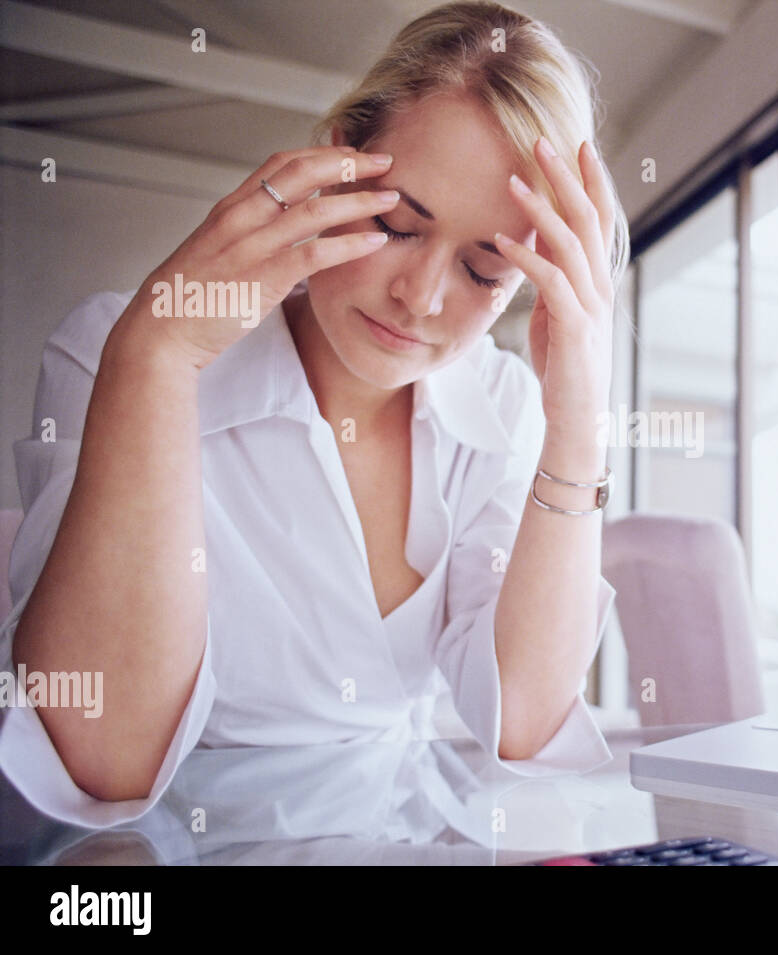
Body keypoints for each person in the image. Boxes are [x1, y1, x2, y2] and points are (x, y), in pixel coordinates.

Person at [0, 0, 630, 829]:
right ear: (333, 163)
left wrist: (578, 429)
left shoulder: (503, 405)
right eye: (396, 223)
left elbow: (523, 721)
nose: (421, 297)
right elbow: (105, 757)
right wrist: (158, 354)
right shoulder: (118, 349)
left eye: (484, 273)